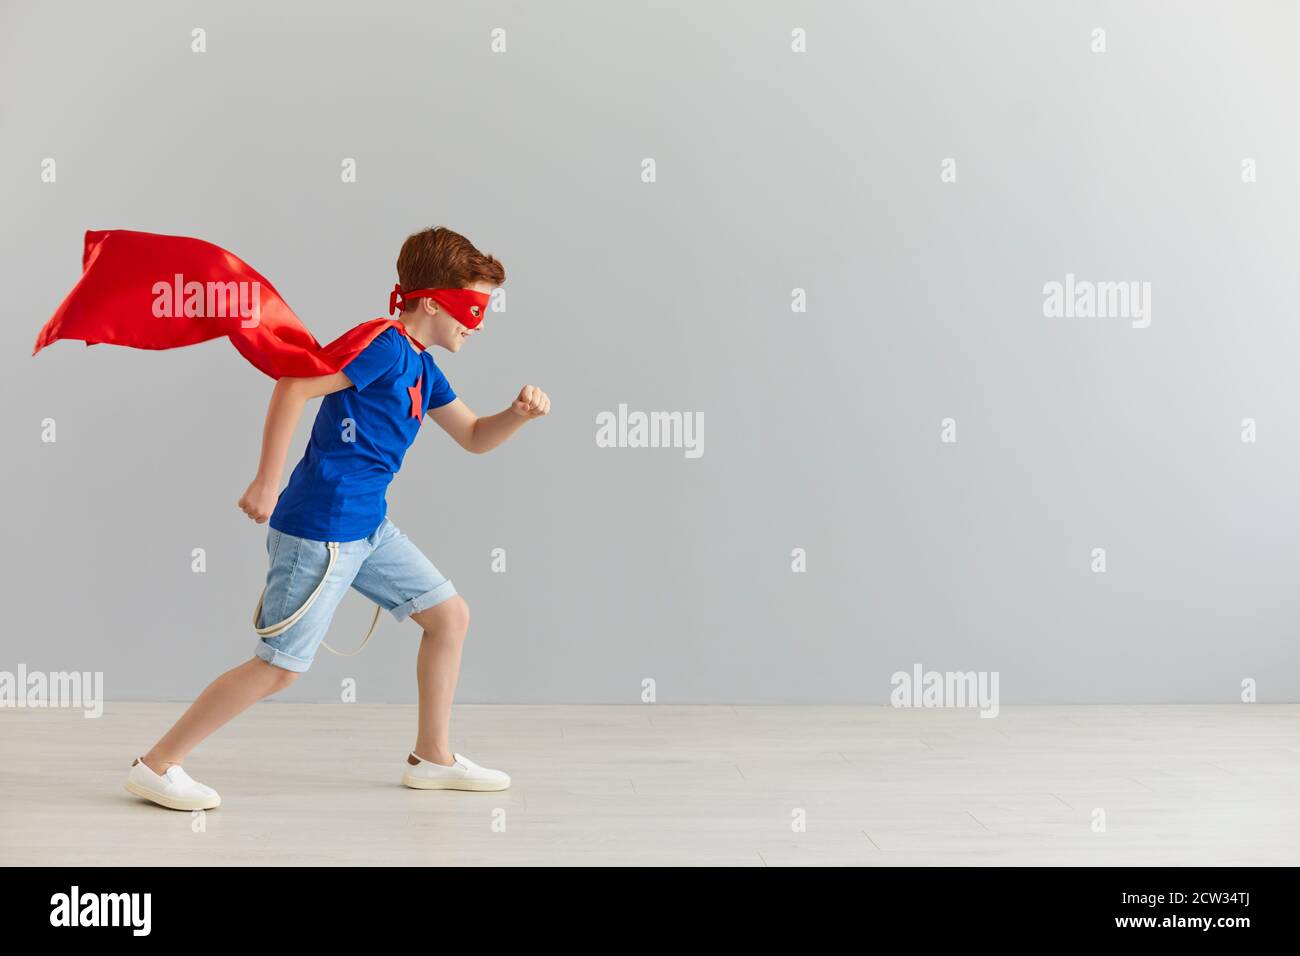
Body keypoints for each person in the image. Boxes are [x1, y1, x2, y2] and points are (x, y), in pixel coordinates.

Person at [123, 227, 549, 811]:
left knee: (448, 617)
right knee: (278, 669)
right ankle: (156, 765)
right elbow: (295, 385)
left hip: (369, 528)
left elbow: (474, 437)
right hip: (321, 531)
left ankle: (433, 757)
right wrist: (267, 481)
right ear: (430, 301)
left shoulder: (423, 366)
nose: (478, 323)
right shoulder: (382, 345)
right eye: (472, 308)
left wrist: (517, 415)